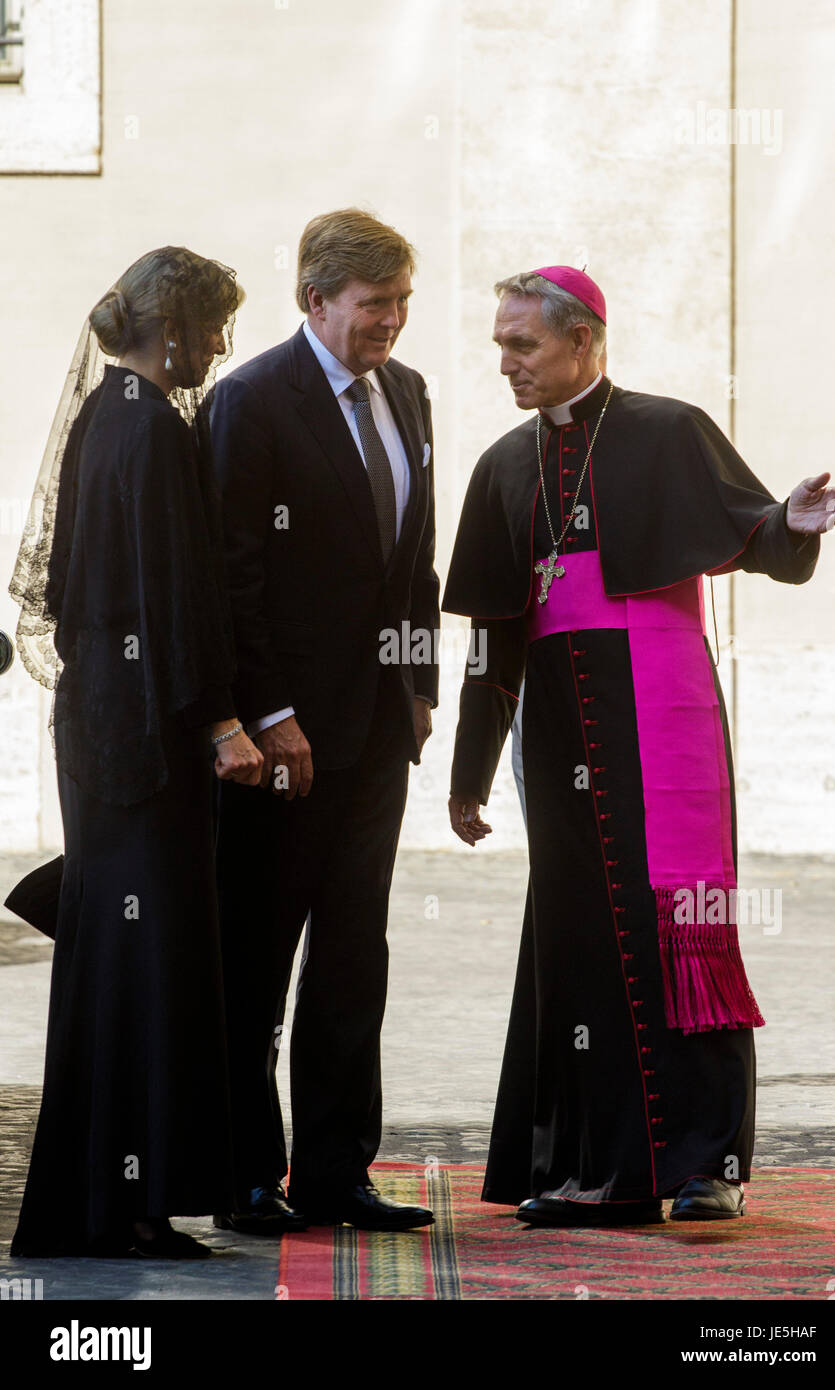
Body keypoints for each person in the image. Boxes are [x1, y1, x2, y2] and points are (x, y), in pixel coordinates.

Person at [444, 265, 835, 1228]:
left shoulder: (669, 430)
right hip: (554, 732)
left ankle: (706, 1164)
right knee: (579, 936)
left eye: (523, 344)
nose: (505, 362)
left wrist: (784, 526)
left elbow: (750, 527)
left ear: (583, 339)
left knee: (684, 923)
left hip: (655, 716)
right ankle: (592, 1163)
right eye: (500, 344)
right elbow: (494, 635)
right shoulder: (503, 465)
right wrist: (469, 773)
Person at [8, 247, 262, 1258]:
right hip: (148, 741)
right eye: (207, 331)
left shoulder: (97, 420)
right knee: (149, 967)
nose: (213, 350)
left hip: (103, 729)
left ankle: (103, 1201)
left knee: (115, 964)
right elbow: (175, 599)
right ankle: (132, 1205)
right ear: (171, 329)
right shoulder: (152, 430)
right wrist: (218, 721)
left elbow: (76, 591)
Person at [209, 208, 439, 1234]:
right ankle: (247, 1174)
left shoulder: (410, 394)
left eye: (399, 302)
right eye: (372, 304)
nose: (390, 320)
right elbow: (231, 579)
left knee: (356, 956)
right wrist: (268, 713)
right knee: (256, 959)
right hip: (283, 743)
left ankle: (337, 1171)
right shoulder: (251, 400)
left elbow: (414, 563)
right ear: (316, 301)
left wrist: (420, 687)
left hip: (378, 731)